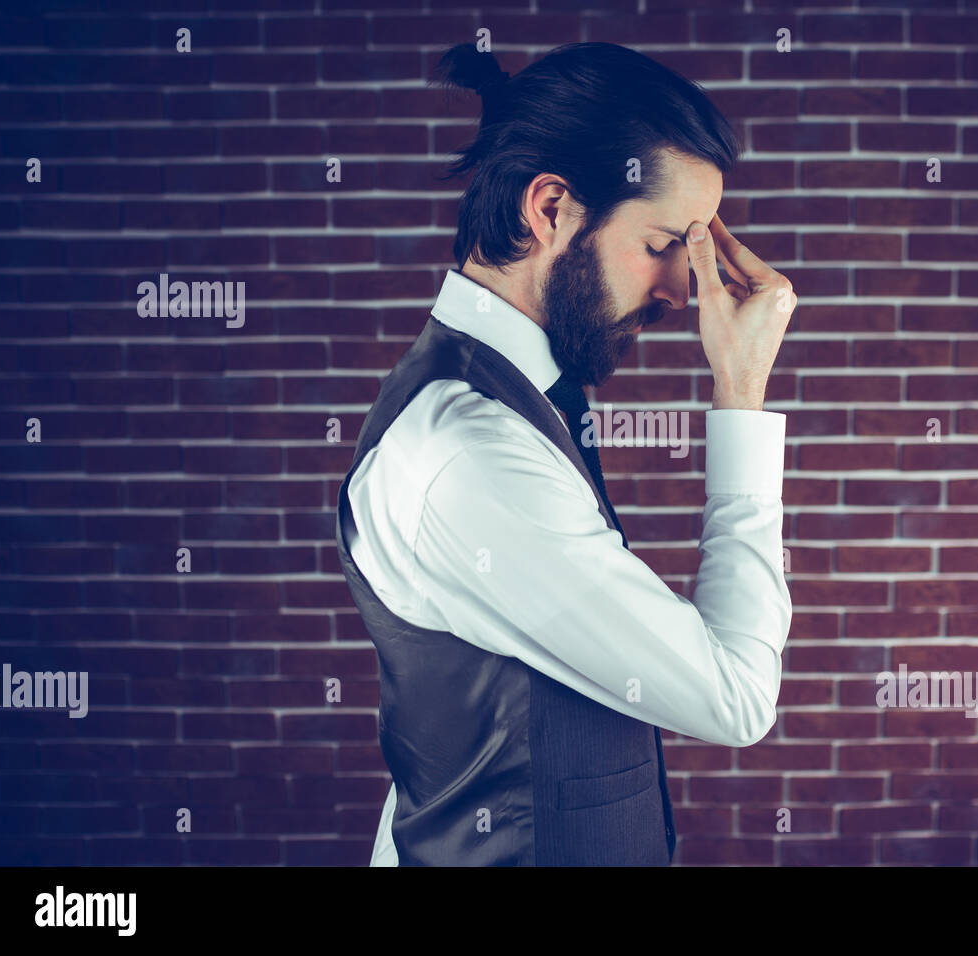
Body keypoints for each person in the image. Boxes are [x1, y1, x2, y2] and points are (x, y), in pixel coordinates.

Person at [335, 41, 796, 866]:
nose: (682, 292)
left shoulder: (515, 401)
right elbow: (736, 697)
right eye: (664, 244)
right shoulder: (469, 453)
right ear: (548, 208)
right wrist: (741, 396)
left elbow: (441, 744)